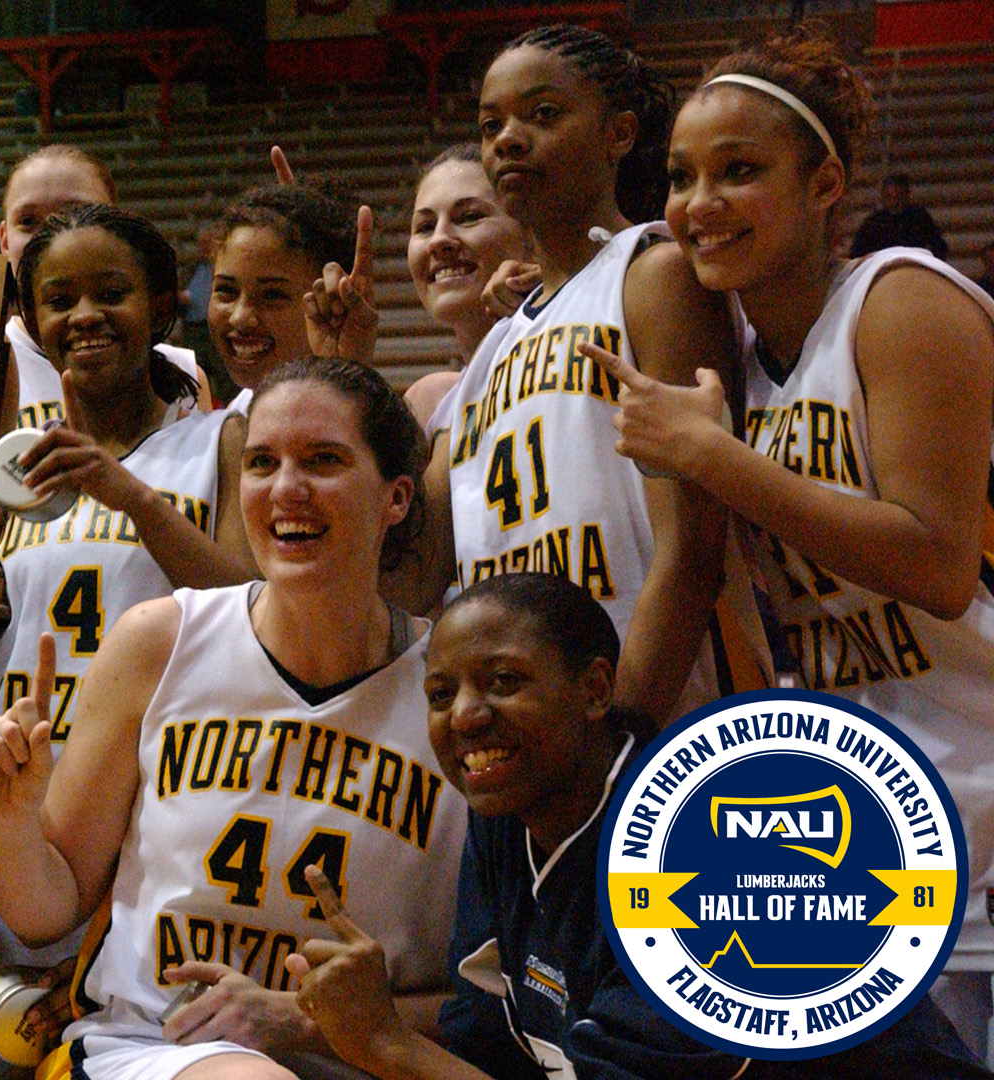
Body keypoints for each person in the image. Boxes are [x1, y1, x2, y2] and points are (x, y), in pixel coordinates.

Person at [583, 30, 994, 1058]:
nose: (699, 203)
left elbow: (939, 567)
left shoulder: (900, 298)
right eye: (679, 177)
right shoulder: (738, 357)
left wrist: (719, 462)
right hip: (877, 816)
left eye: (740, 171)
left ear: (826, 184)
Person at [0, 358, 467, 1079]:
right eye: (262, 463)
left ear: (396, 498)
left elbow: (485, 998)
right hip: (151, 1048)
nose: (286, 488)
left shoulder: (454, 691)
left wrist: (299, 1018)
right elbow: (47, 910)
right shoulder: (159, 641)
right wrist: (9, 823)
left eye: (323, 460)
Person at [285, 571, 989, 1079]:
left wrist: (386, 1043)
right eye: (442, 694)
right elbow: (487, 1049)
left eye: (503, 682)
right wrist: (312, 1025)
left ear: (595, 690)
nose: (465, 715)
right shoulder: (510, 813)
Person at [389, 24, 770, 722]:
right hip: (516, 732)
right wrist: (332, 365)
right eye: (489, 124)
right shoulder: (498, 346)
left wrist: (619, 743)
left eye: (542, 114)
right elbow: (414, 578)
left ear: (618, 133)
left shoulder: (653, 272)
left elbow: (691, 553)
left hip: (655, 715)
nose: (507, 138)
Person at [0, 204, 259, 1007]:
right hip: (10, 788)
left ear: (163, 306)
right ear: (28, 318)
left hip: (149, 797)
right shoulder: (14, 468)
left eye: (111, 292)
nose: (84, 315)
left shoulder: (220, 441)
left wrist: (131, 497)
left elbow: (253, 614)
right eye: (58, 298)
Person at [0, 144, 208, 431]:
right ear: (4, 240)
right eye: (29, 221)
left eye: (78, 213)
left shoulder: (182, 372)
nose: (54, 235)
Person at [398, 145, 534, 430]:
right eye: (424, 226)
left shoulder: (582, 348)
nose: (438, 240)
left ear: (531, 233)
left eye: (469, 217)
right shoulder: (427, 407)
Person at [205, 184, 360, 414]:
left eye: (272, 295)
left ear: (329, 299)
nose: (240, 318)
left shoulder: (365, 431)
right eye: (226, 290)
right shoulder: (200, 436)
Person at [849, 172, 948, 259]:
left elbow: (939, 247)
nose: (894, 202)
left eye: (898, 196)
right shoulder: (874, 223)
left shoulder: (920, 218)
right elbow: (857, 253)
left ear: (907, 195)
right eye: (889, 197)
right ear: (882, 197)